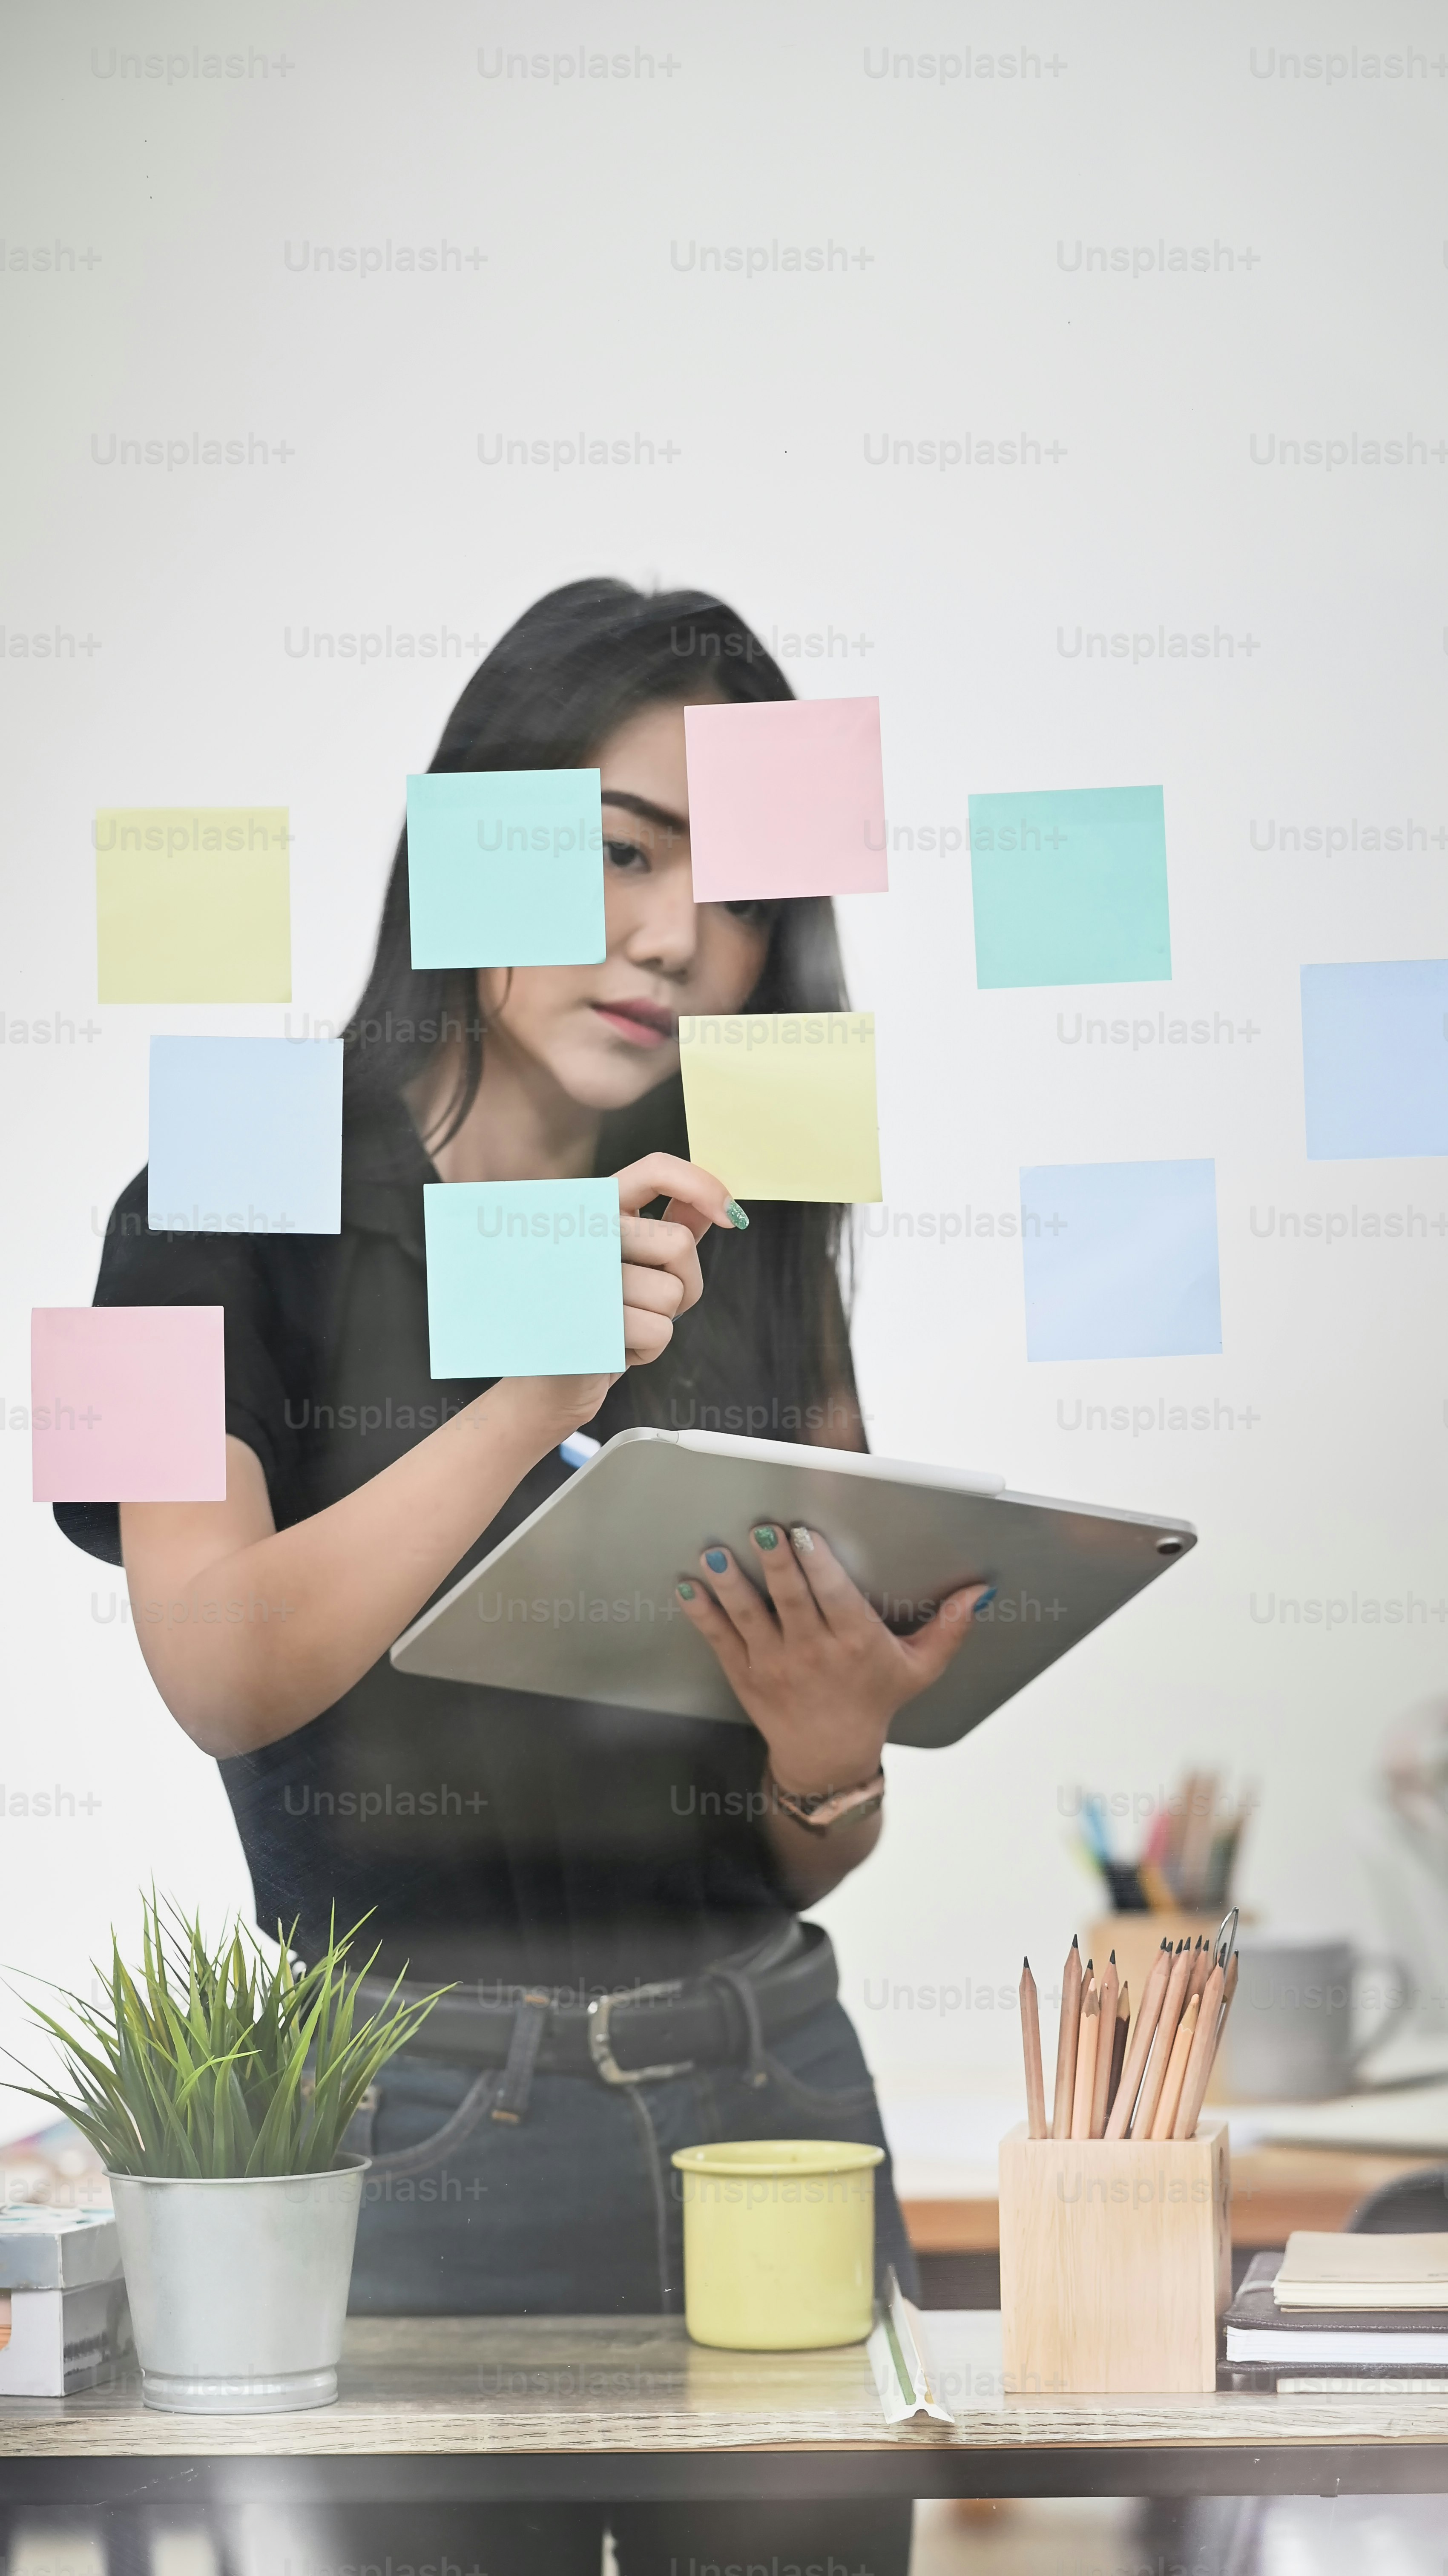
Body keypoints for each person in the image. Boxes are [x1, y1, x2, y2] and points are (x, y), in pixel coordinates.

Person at [60, 578, 989, 2576]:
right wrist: (535, 1387)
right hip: (392, 2136)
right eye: (613, 849)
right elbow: (213, 1670)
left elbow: (805, 1843)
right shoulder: (199, 1180)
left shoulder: (766, 1218)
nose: (671, 934)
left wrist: (832, 1761)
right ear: (468, 832)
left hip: (771, 2097)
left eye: (730, 890)